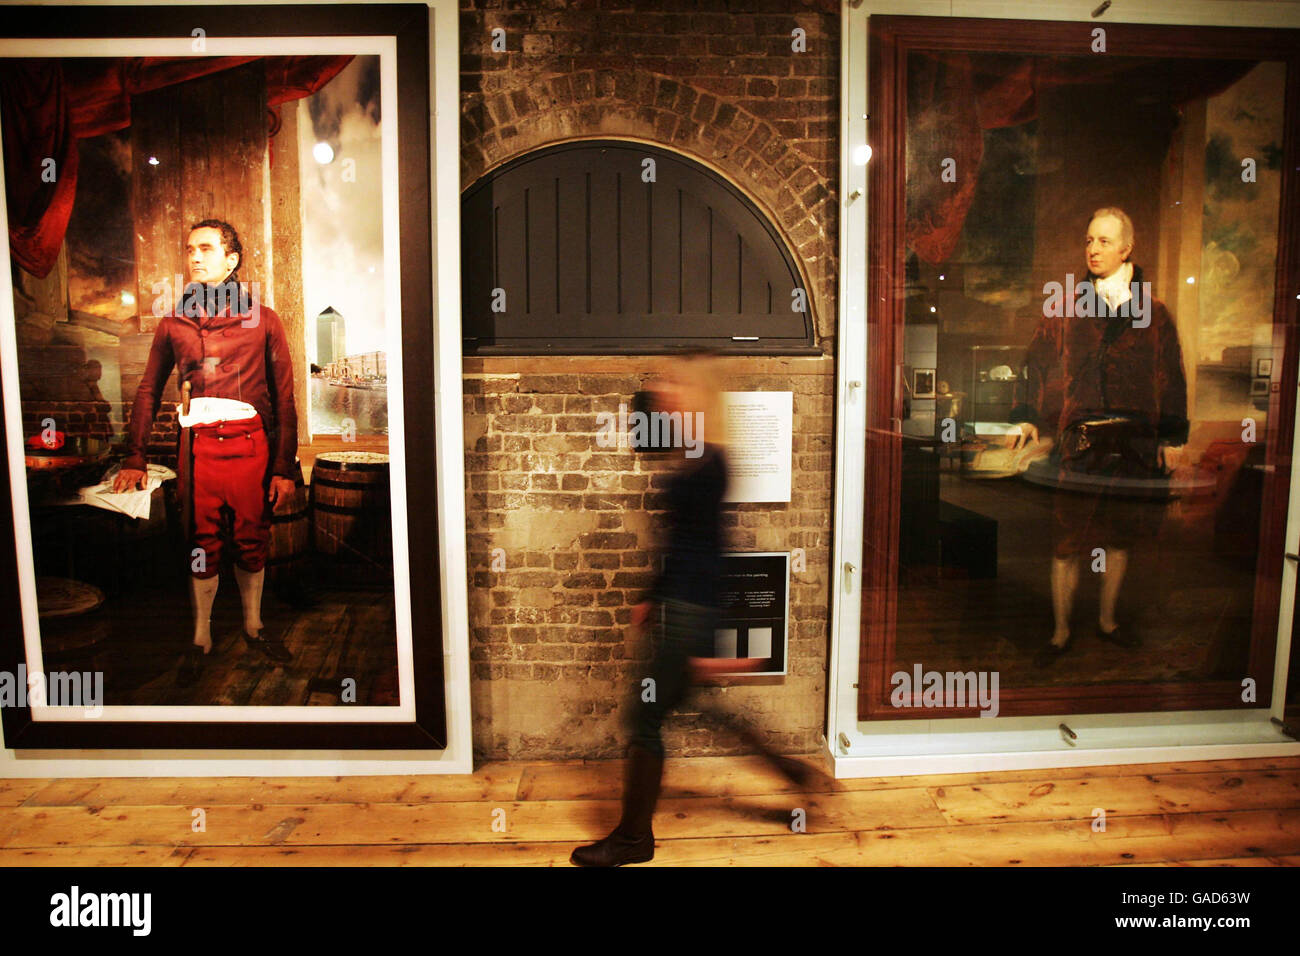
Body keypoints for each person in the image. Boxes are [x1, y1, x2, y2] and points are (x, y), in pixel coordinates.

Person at [570, 351, 823, 867]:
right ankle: (791, 772)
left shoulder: (709, 462)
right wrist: (651, 593)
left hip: (689, 611)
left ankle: (634, 840)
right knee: (700, 708)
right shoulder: (694, 453)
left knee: (644, 717)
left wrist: (702, 637)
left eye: (676, 381)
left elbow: (708, 552)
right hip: (681, 604)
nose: (665, 388)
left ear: (698, 393)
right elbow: (680, 541)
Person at [113, 219, 298, 683]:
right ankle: (201, 636)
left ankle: (254, 626)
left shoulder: (264, 320)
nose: (194, 256)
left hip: (252, 447)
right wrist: (135, 456)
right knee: (201, 541)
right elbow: (148, 390)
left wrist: (283, 467)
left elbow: (285, 399)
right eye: (190, 248)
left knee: (253, 537)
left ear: (231, 260)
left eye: (206, 248)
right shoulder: (173, 323)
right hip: (197, 450)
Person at [1010, 207, 1188, 667]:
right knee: (1066, 542)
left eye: (1104, 241)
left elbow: (1171, 375)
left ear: (1126, 248)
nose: (1092, 249)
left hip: (1133, 445)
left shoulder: (1154, 313)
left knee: (1120, 539)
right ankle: (1060, 632)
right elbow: (1035, 362)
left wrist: (1171, 437)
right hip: (1080, 443)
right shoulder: (1066, 307)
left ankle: (1108, 622)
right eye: (1089, 240)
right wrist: (1027, 416)